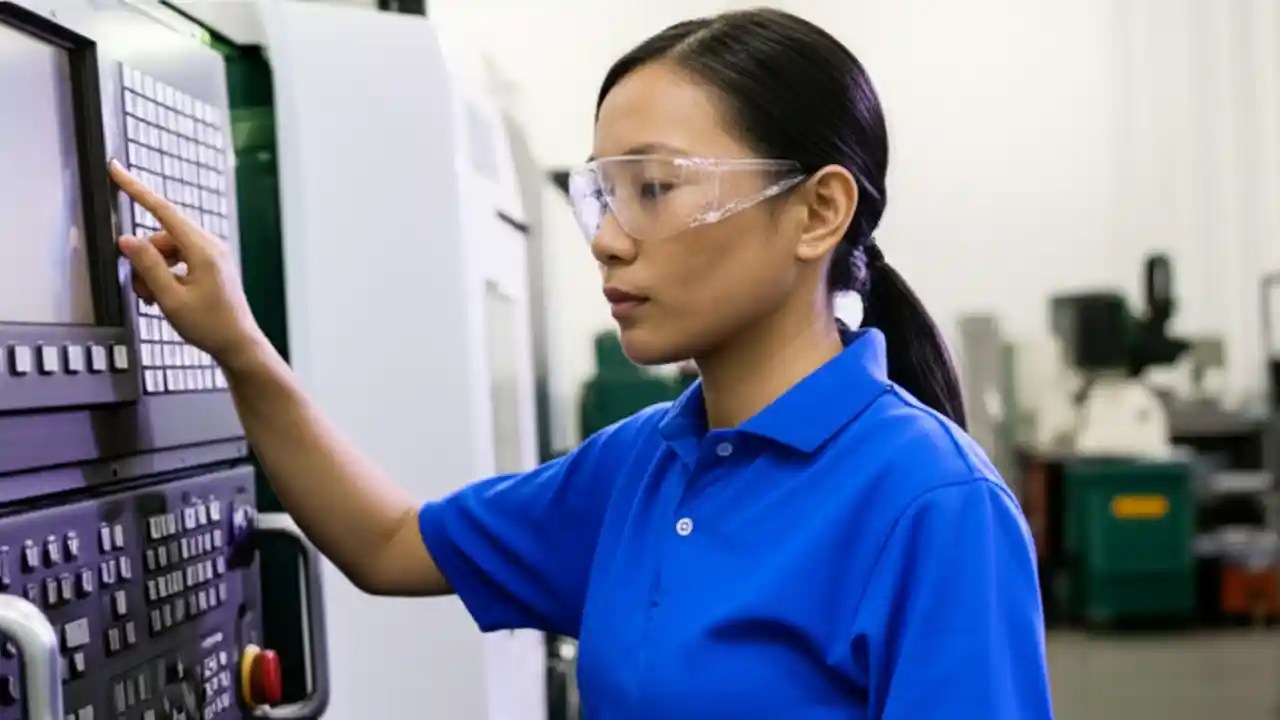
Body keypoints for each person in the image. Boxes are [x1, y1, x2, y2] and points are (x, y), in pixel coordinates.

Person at [108, 7, 1053, 719]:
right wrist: (236, 343)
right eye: (600, 194)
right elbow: (389, 545)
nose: (606, 240)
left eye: (654, 188)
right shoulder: (642, 466)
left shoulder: (931, 506)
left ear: (818, 212)